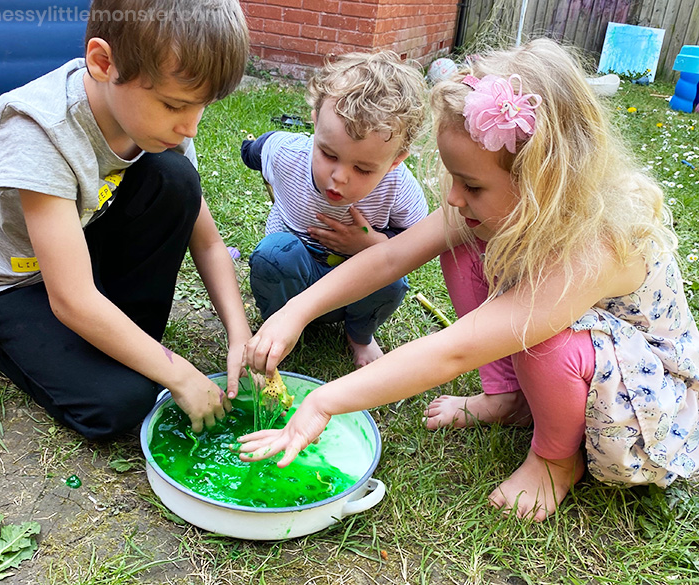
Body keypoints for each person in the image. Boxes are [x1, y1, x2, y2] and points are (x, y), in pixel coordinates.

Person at [237, 38, 699, 521]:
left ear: (543, 180)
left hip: (641, 386)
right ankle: (506, 396)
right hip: (569, 340)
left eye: (472, 185)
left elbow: (455, 348)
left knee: (544, 339)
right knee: (462, 242)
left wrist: (324, 401)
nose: (453, 197)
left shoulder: (597, 247)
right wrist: (297, 309)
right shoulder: (503, 207)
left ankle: (556, 460)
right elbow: (388, 259)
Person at [0, 0, 252, 440]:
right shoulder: (38, 128)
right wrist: (180, 375)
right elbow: (71, 299)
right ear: (103, 63)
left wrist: (240, 336)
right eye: (174, 105)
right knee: (122, 403)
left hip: (77, 240)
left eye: (201, 107)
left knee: (176, 179)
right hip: (10, 279)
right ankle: (4, 340)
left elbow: (209, 242)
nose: (191, 127)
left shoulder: (155, 122)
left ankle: (118, 337)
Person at [240, 51, 429, 368]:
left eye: (364, 169)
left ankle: (360, 335)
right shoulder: (287, 152)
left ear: (396, 160)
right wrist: (248, 149)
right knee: (273, 254)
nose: (339, 177)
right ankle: (281, 325)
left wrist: (371, 244)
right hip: (295, 277)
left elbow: (417, 241)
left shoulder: (399, 186)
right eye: (328, 154)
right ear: (314, 124)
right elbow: (257, 149)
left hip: (355, 290)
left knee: (393, 280)